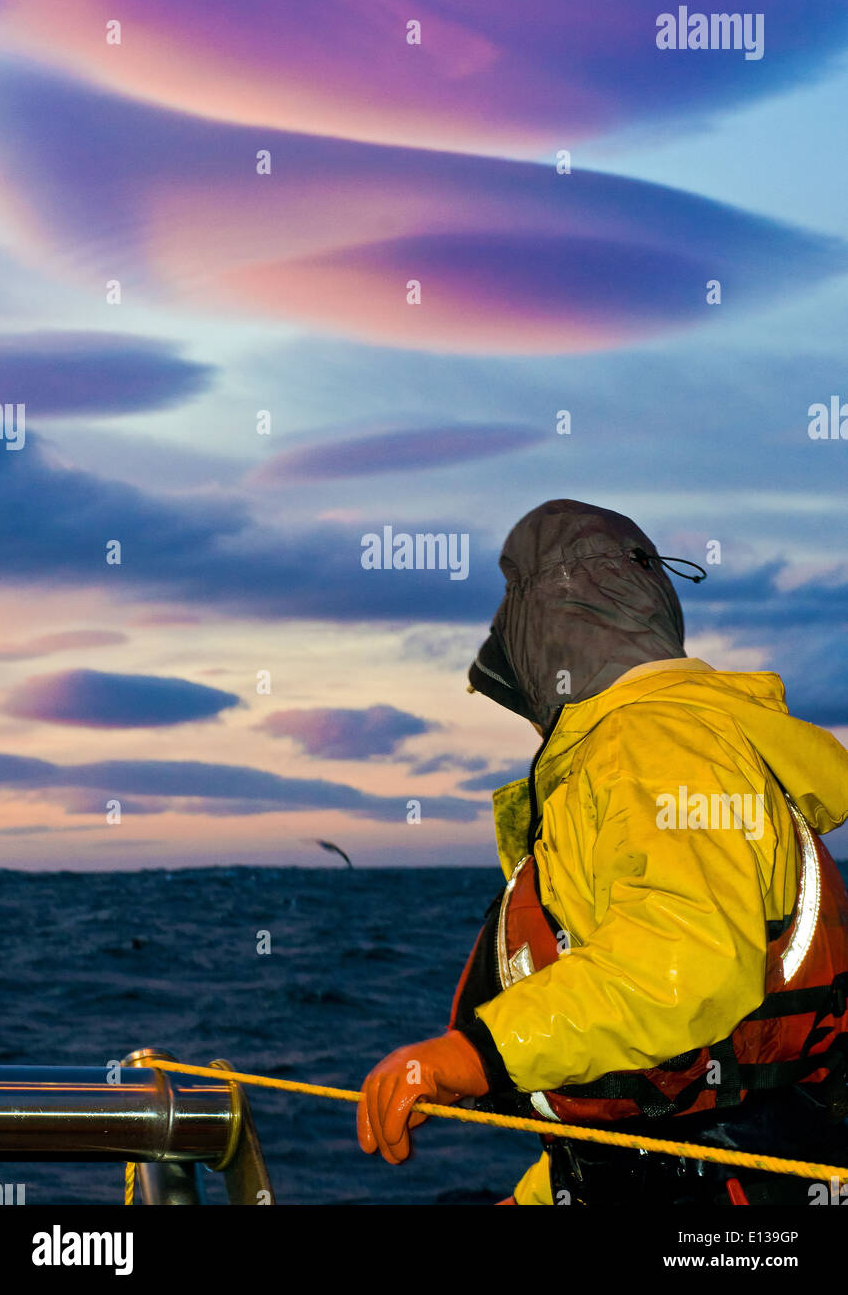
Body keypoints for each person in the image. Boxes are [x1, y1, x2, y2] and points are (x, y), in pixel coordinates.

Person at [357, 500, 848, 1205]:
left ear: (545, 640)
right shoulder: (665, 744)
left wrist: (472, 1053)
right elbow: (656, 1109)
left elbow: (683, 966)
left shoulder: (656, 747)